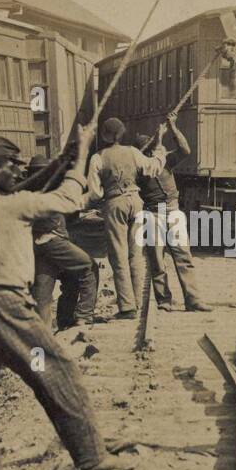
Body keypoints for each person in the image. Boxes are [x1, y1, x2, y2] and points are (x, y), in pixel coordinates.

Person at [0, 126, 123, 470]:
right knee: (55, 370)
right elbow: (68, 198)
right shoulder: (11, 206)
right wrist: (80, 157)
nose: (18, 171)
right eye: (12, 165)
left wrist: (61, 158)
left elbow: (27, 187)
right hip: (6, 306)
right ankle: (91, 455)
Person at [86, 116, 168, 319]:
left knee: (118, 255)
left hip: (115, 203)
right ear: (121, 133)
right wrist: (159, 147)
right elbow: (154, 168)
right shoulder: (133, 152)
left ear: (104, 136)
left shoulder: (97, 157)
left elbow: (95, 193)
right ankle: (139, 302)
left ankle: (127, 307)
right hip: (136, 202)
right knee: (136, 255)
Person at [133, 115, 212, 313]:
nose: (152, 153)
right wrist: (160, 139)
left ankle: (193, 299)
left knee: (183, 255)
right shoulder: (140, 168)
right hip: (153, 213)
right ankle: (164, 300)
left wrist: (174, 128)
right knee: (157, 260)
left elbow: (185, 150)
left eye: (153, 149)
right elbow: (152, 165)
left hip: (172, 209)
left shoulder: (164, 160)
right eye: (148, 150)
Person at [24, 153, 99, 330]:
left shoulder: (28, 192)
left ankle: (53, 329)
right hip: (52, 241)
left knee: (45, 293)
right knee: (89, 267)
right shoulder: (48, 193)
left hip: (39, 247)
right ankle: (83, 318)